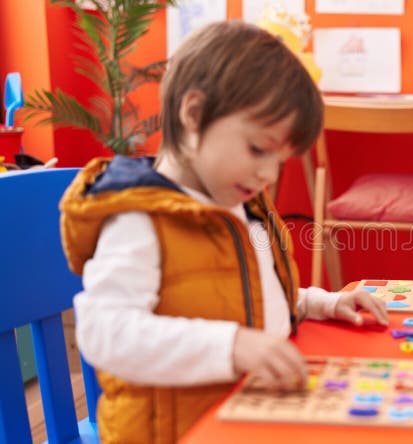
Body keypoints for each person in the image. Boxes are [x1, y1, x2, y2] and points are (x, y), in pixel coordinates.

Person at [60, 21, 388, 443]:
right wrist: (232, 346)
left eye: (280, 160)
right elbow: (104, 333)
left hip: (248, 419)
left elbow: (255, 294)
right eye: (258, 149)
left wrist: (323, 302)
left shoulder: (245, 211)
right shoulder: (139, 219)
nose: (268, 174)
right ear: (194, 114)